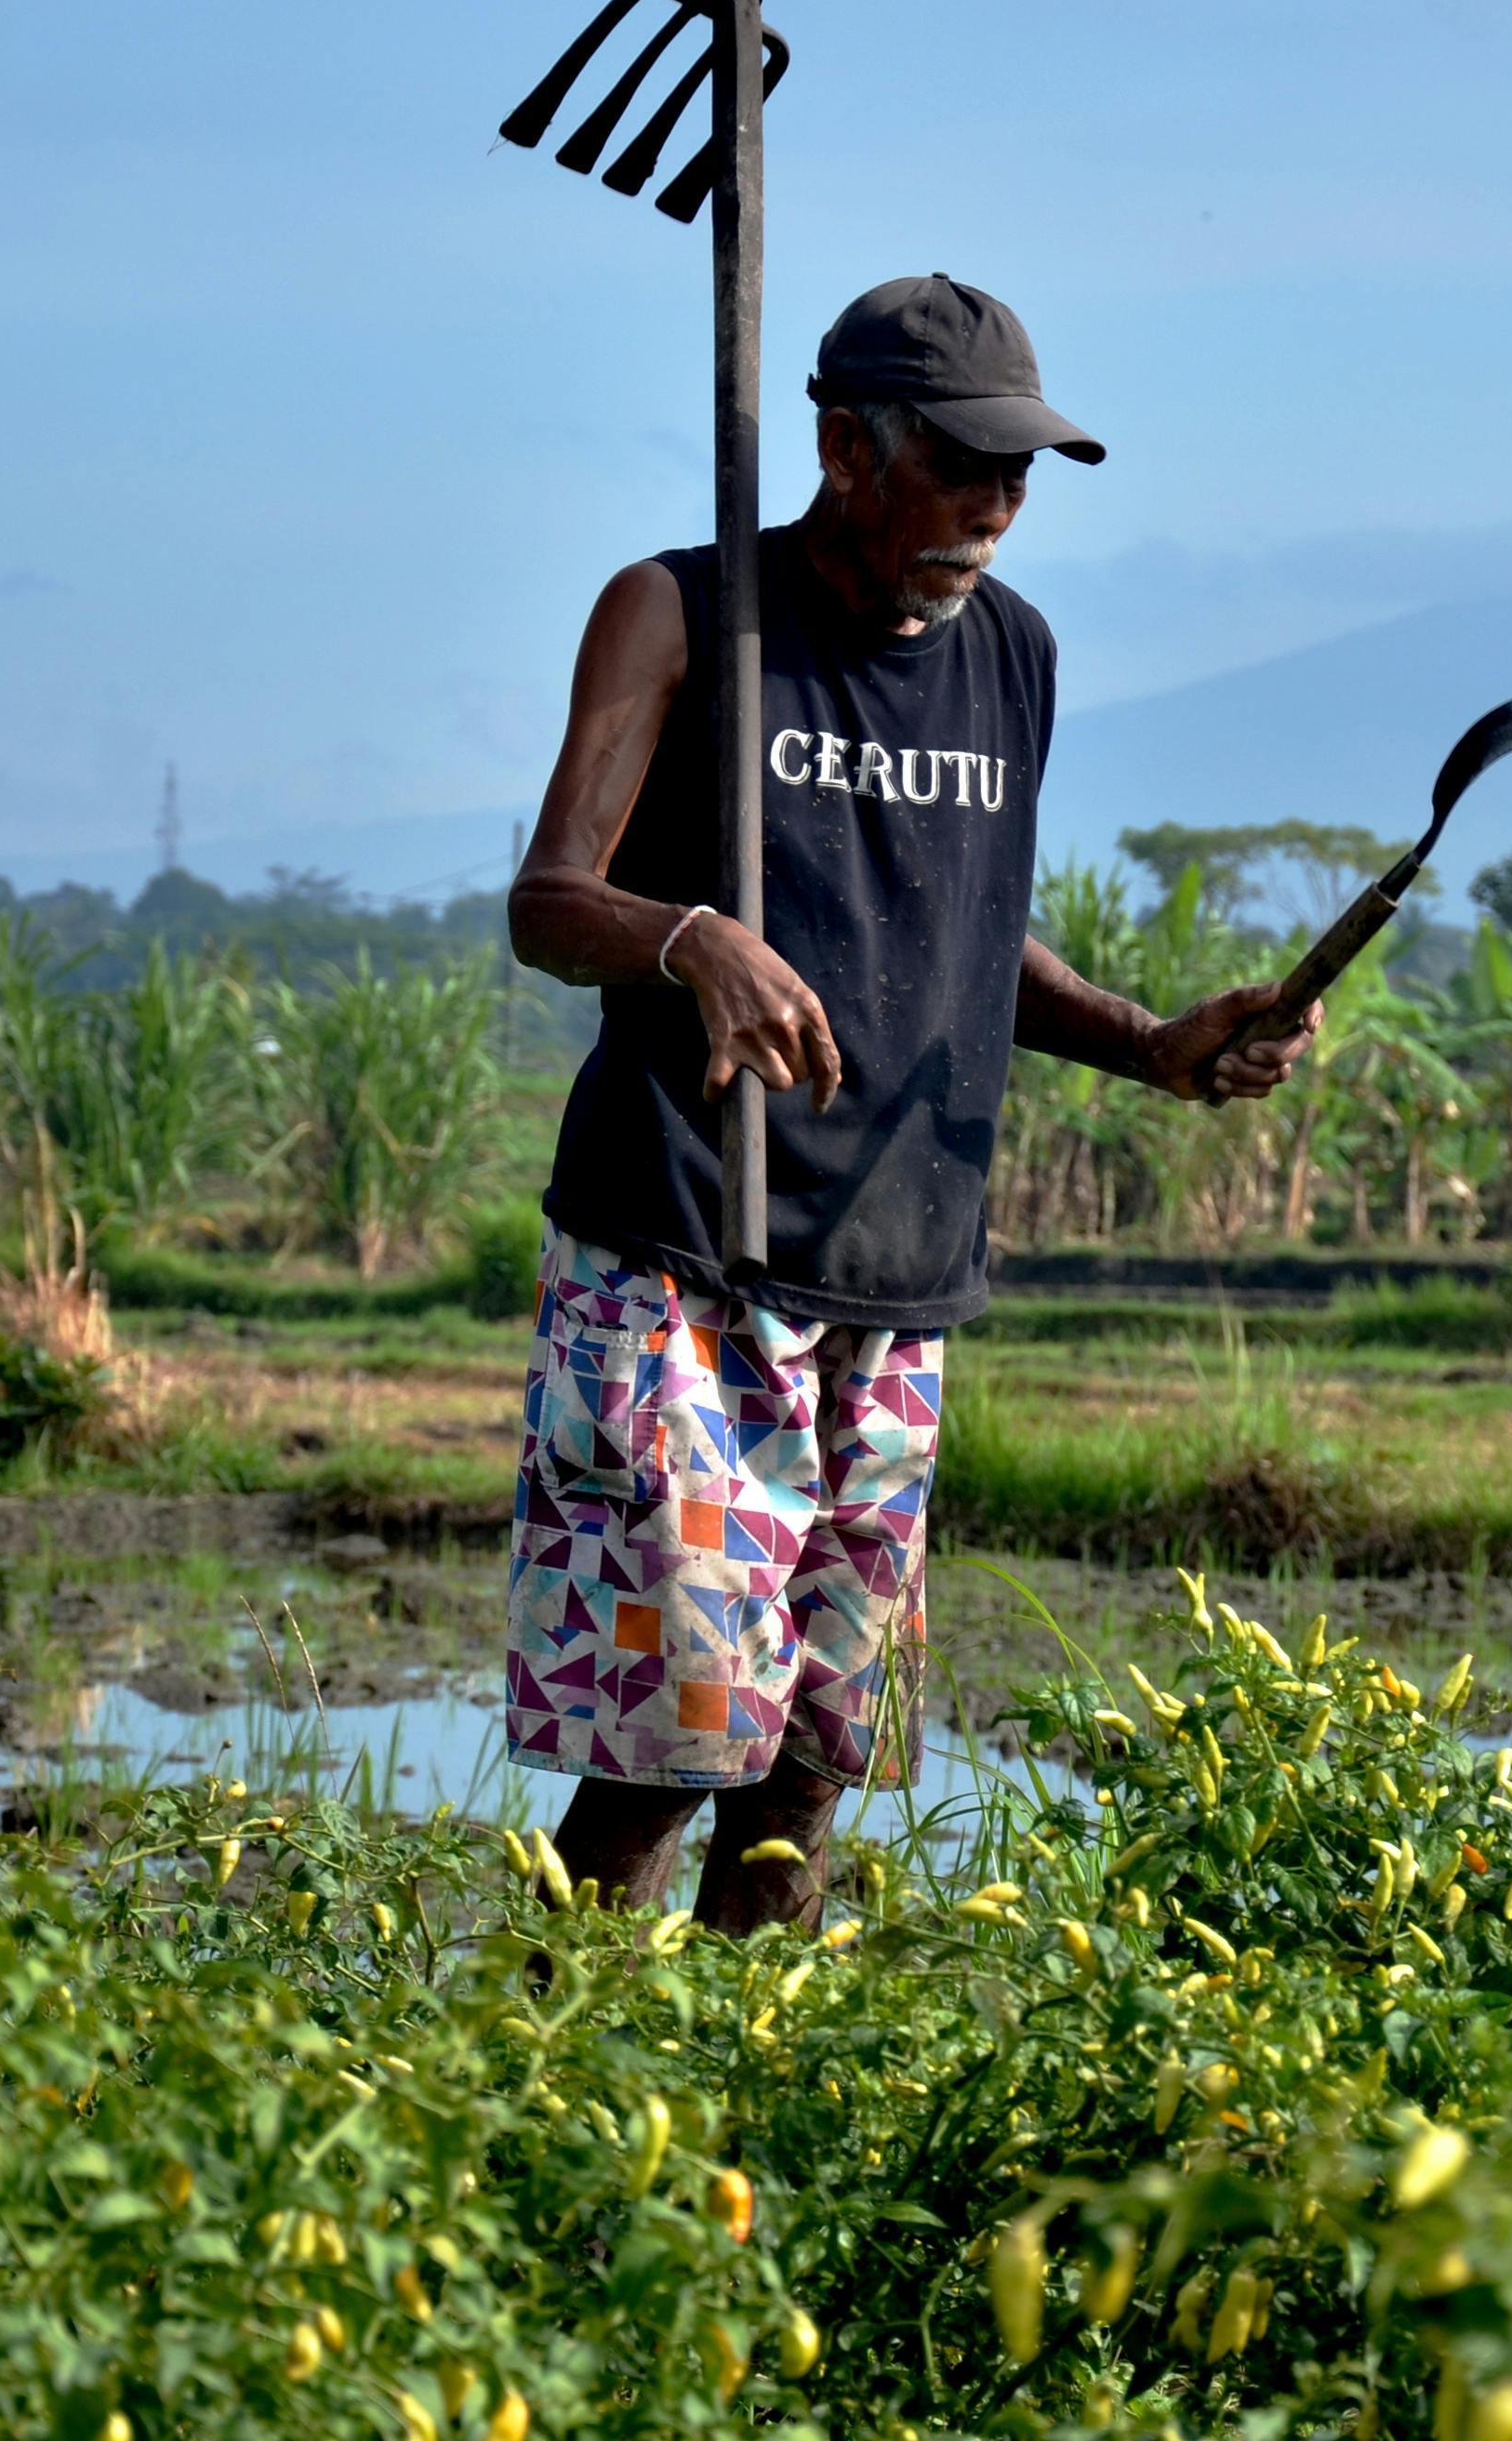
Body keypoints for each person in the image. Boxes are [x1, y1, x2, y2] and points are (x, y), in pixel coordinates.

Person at [504, 273, 1314, 1930]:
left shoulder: (1015, 657)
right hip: (687, 1248)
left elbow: (964, 928)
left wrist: (1156, 1042)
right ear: (845, 449)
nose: (998, 512)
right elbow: (546, 901)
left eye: (1020, 478)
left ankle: (746, 2100)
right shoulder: (679, 612)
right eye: (963, 467)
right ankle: (535, 2089)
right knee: (677, 1743)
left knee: (816, 1750)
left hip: (900, 1260)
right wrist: (689, 940)